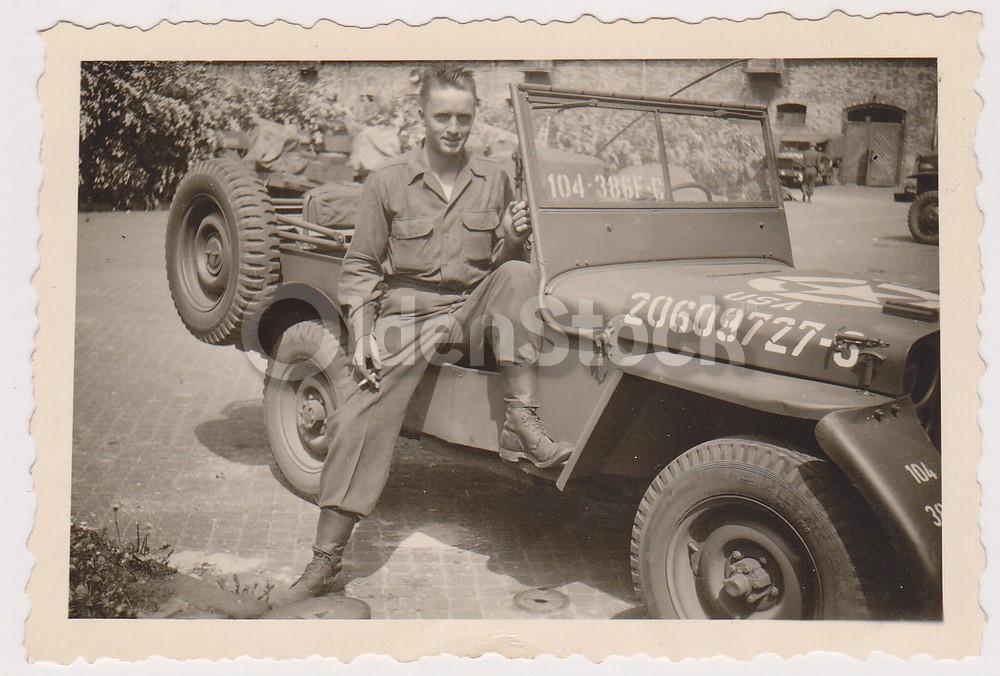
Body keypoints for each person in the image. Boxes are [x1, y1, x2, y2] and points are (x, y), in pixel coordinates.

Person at [287, 65, 574, 600]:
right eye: (442, 116)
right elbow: (361, 268)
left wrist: (511, 240)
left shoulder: (494, 177)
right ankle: (324, 561)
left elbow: (500, 266)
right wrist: (363, 332)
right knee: (358, 412)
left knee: (517, 274)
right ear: (421, 116)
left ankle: (522, 420)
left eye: (464, 117)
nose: (453, 127)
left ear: (474, 118)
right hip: (409, 316)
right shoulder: (388, 181)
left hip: (470, 310)